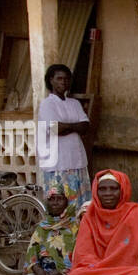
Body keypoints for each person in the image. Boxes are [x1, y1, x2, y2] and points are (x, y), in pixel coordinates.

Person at [35, 64, 90, 207]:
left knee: (80, 204)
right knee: (60, 205)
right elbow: (55, 129)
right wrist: (74, 126)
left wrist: (66, 126)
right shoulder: (47, 104)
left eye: (66, 79)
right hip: (57, 164)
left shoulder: (74, 103)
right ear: (51, 80)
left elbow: (85, 127)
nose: (63, 82)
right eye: (59, 78)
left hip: (76, 161)